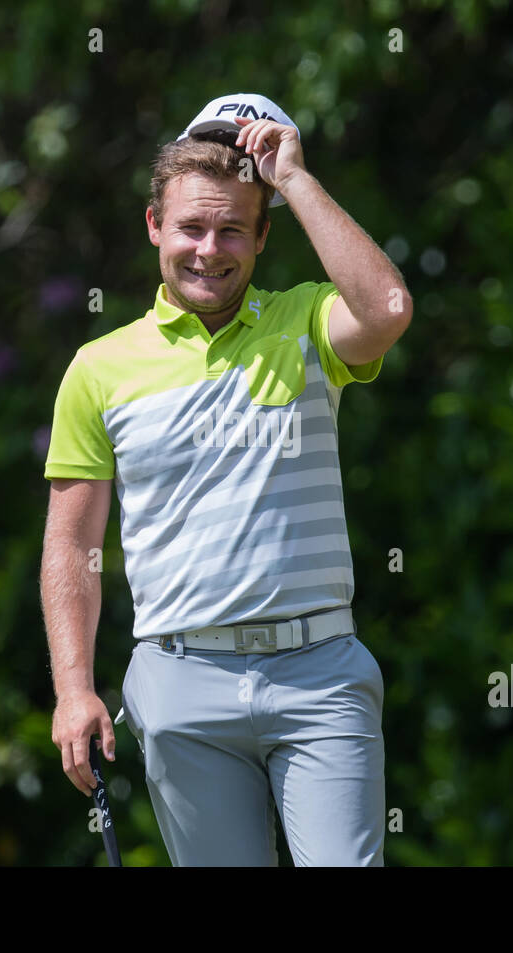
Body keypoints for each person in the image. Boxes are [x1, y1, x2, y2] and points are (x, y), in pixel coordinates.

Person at [41, 93, 412, 865]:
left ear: (264, 235)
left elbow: (385, 307)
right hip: (180, 683)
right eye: (191, 227)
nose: (210, 249)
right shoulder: (97, 369)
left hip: (320, 678)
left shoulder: (307, 323)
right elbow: (72, 545)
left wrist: (297, 179)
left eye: (233, 229)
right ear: (154, 228)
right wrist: (74, 689)